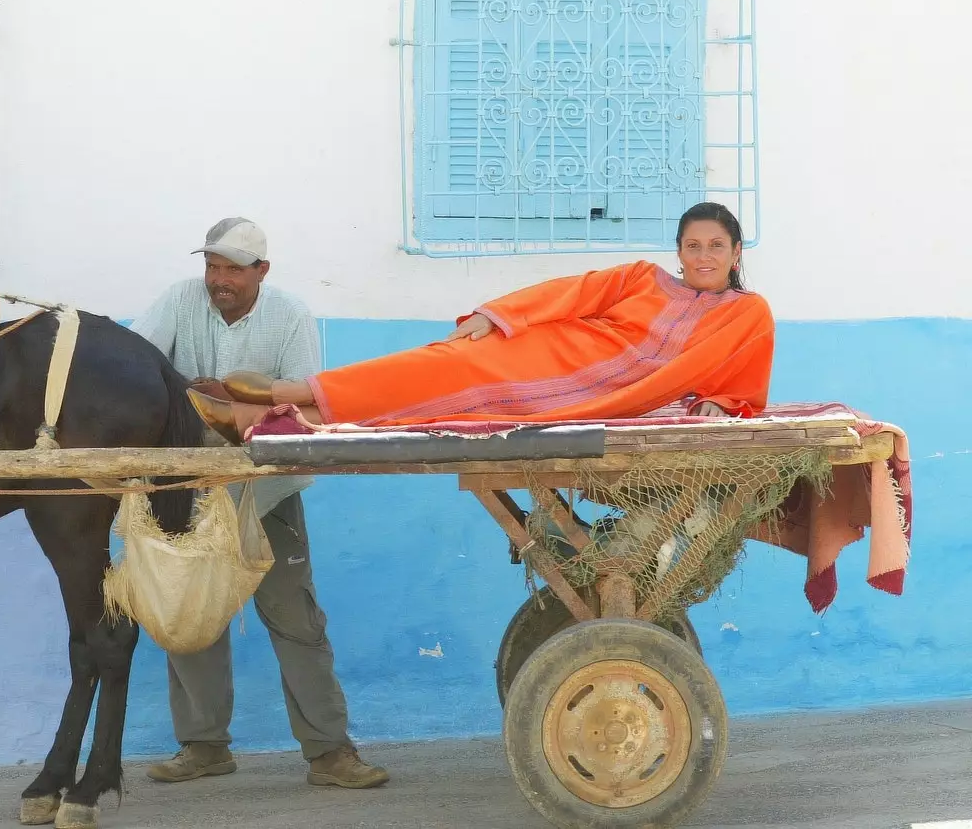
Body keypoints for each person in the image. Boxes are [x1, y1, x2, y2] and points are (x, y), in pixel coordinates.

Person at [129, 217, 390, 789]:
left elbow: (297, 412)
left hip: (265, 491)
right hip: (186, 486)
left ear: (261, 272)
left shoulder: (291, 316)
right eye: (212, 267)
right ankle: (203, 748)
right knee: (191, 614)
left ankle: (329, 754)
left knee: (295, 619)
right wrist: (215, 395)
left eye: (233, 270)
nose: (219, 280)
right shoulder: (179, 300)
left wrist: (202, 396)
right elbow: (138, 375)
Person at [189, 202, 772, 439]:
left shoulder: (747, 314)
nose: (703, 257)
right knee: (441, 367)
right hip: (552, 351)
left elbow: (742, 384)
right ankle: (287, 395)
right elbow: (571, 293)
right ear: (678, 249)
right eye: (692, 246)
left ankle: (260, 410)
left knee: (440, 403)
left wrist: (722, 403)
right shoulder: (645, 278)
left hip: (593, 396)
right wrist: (499, 316)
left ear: (736, 253)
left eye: (715, 246)